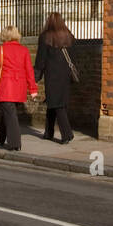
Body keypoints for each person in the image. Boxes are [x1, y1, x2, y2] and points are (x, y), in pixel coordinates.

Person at [0, 25, 37, 152]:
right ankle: (1, 137)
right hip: (19, 88)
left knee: (10, 115)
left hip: (6, 87)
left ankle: (15, 143)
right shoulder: (24, 50)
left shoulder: (0, 49)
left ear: (4, 36)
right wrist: (33, 89)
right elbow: (29, 71)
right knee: (7, 112)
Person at [34, 12, 77, 144]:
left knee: (57, 105)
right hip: (65, 75)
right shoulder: (70, 37)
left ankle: (67, 133)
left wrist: (37, 75)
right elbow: (74, 57)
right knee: (54, 102)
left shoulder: (45, 37)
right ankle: (48, 132)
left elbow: (41, 59)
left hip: (52, 75)